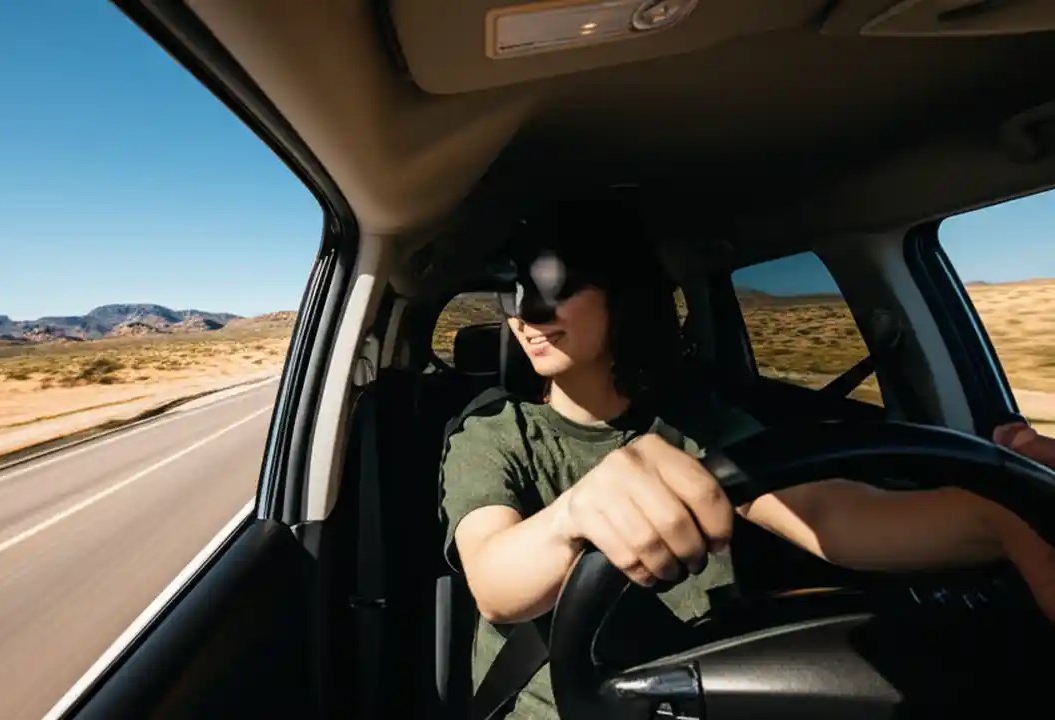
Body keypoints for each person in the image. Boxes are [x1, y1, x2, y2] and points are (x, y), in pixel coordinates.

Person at [438, 196, 1055, 720]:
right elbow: (494, 580)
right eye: (510, 294)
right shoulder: (496, 432)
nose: (526, 316)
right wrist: (574, 513)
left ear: (620, 296)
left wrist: (1009, 516)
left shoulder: (698, 421)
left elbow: (830, 515)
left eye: (553, 283)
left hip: (705, 692)